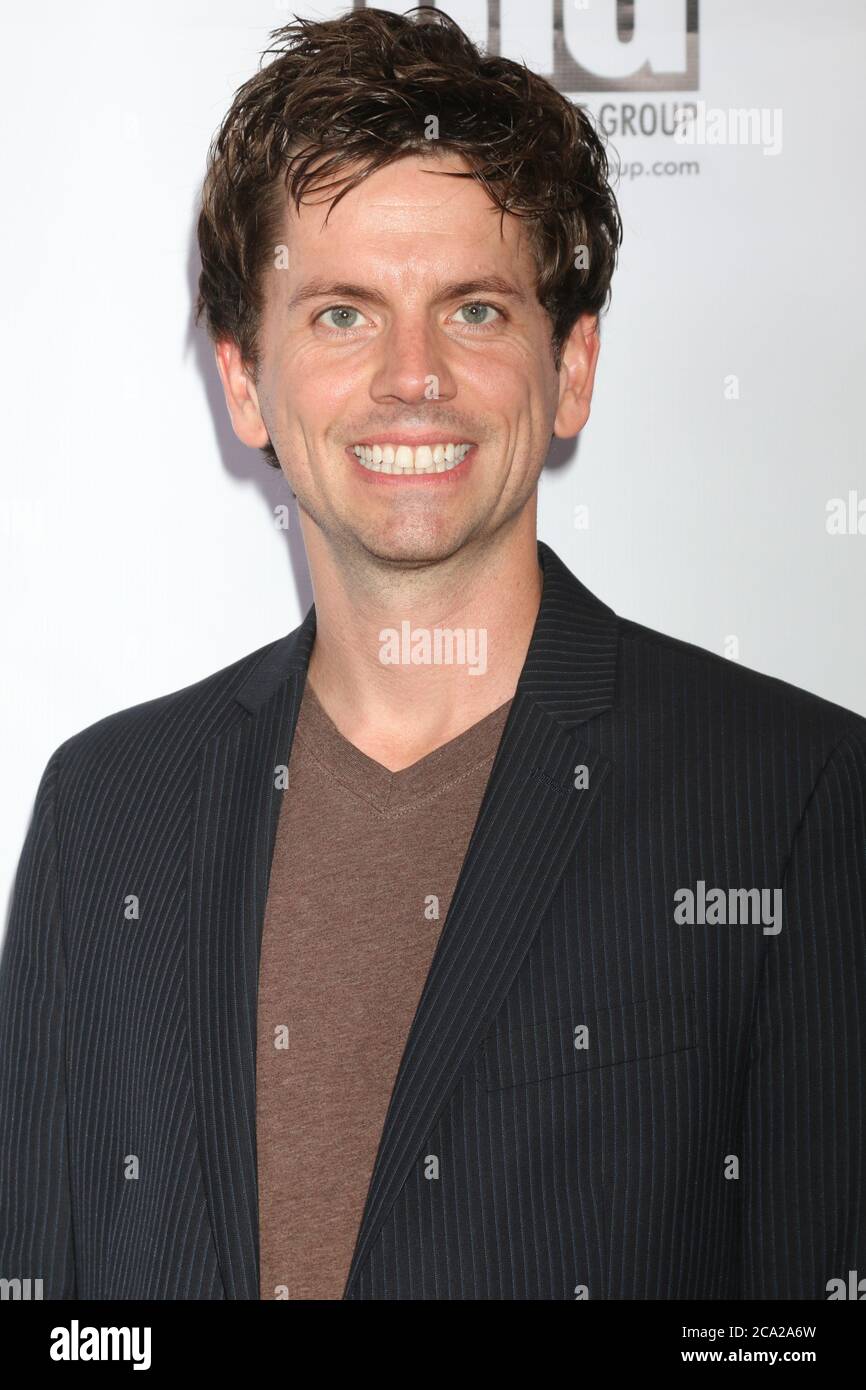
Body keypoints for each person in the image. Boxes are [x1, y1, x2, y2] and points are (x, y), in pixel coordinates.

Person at [1, 6, 864, 1301]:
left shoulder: (789, 801)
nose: (413, 376)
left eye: (473, 309)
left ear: (571, 367)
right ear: (244, 381)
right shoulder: (106, 810)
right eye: (343, 314)